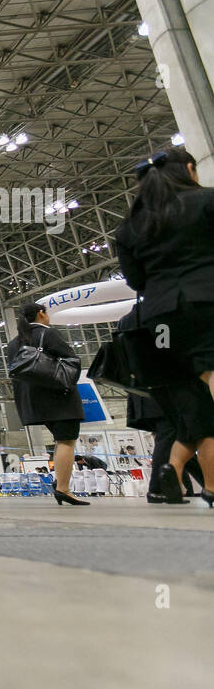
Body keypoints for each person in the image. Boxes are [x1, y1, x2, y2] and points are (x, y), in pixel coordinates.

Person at [116, 144, 214, 506]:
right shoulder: (207, 201)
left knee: (195, 405)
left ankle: (179, 472)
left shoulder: (131, 225)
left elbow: (136, 279)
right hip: (206, 303)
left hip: (159, 321)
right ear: (190, 168)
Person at [6, 302, 87, 505]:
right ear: (41, 314)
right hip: (58, 396)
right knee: (66, 440)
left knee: (61, 440)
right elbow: (71, 360)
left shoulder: (14, 343)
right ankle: (63, 488)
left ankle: (61, 486)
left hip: (32, 400)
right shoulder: (48, 334)